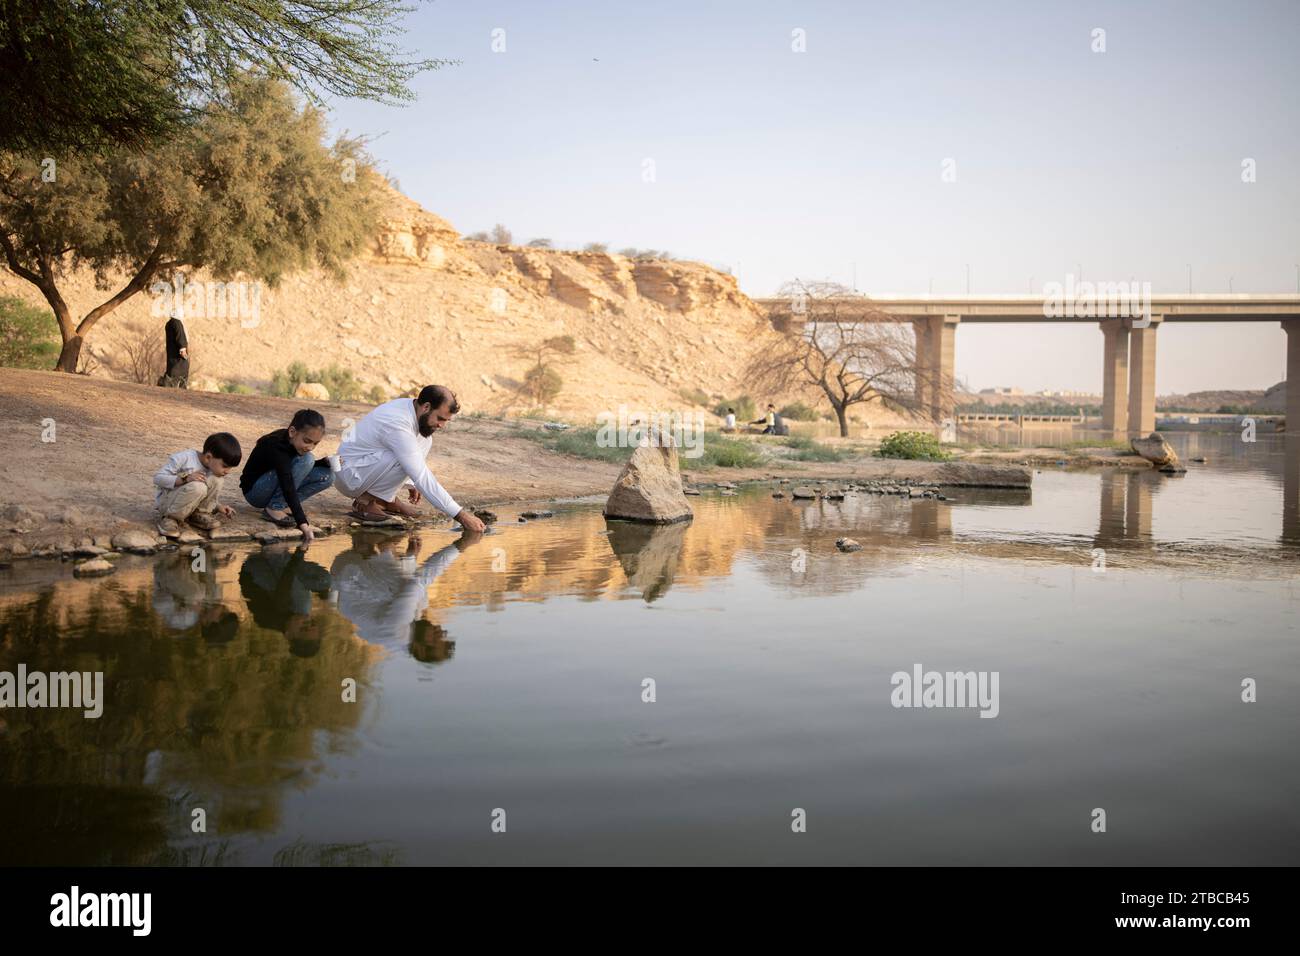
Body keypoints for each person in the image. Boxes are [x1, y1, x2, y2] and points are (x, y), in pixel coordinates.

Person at [333, 384, 486, 532]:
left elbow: (416, 469)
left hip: (365, 467)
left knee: (425, 439)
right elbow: (422, 476)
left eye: (446, 420)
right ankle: (365, 502)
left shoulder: (413, 410)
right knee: (404, 453)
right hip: (348, 475)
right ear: (426, 407)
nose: (442, 425)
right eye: (440, 418)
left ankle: (386, 499)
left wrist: (410, 483)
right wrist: (461, 516)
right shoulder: (397, 422)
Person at [240, 408, 334, 547]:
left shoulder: (295, 445)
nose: (311, 447)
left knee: (327, 476)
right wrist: (302, 522)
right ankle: (274, 507)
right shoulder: (275, 445)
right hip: (255, 492)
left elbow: (296, 470)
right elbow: (287, 481)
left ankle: (283, 505)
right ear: (292, 432)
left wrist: (324, 462)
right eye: (307, 441)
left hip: (277, 483)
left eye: (315, 443)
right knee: (307, 459)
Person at [152, 432, 241, 537]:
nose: (227, 471)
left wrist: (218, 506)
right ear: (208, 457)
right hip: (168, 504)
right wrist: (185, 478)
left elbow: (202, 494)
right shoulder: (185, 458)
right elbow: (158, 478)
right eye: (225, 466)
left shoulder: (212, 468)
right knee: (198, 486)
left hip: (189, 506)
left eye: (230, 468)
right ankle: (170, 519)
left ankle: (199, 514)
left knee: (217, 480)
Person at [160, 309, 189, 388]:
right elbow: (180, 336)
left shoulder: (169, 323)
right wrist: (183, 349)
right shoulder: (177, 322)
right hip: (178, 353)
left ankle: (167, 384)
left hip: (172, 351)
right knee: (181, 370)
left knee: (172, 369)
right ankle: (167, 384)